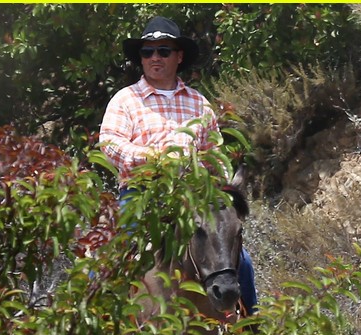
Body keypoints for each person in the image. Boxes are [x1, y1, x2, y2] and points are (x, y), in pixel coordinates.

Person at [99, 15, 257, 314]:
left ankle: (251, 325)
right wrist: (154, 158)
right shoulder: (126, 100)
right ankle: (101, 319)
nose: (154, 57)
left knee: (239, 258)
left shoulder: (199, 103)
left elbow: (214, 153)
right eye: (147, 52)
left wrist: (220, 185)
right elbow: (110, 145)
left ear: (178, 56)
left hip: (195, 197)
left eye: (163, 50)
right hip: (141, 195)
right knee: (113, 255)